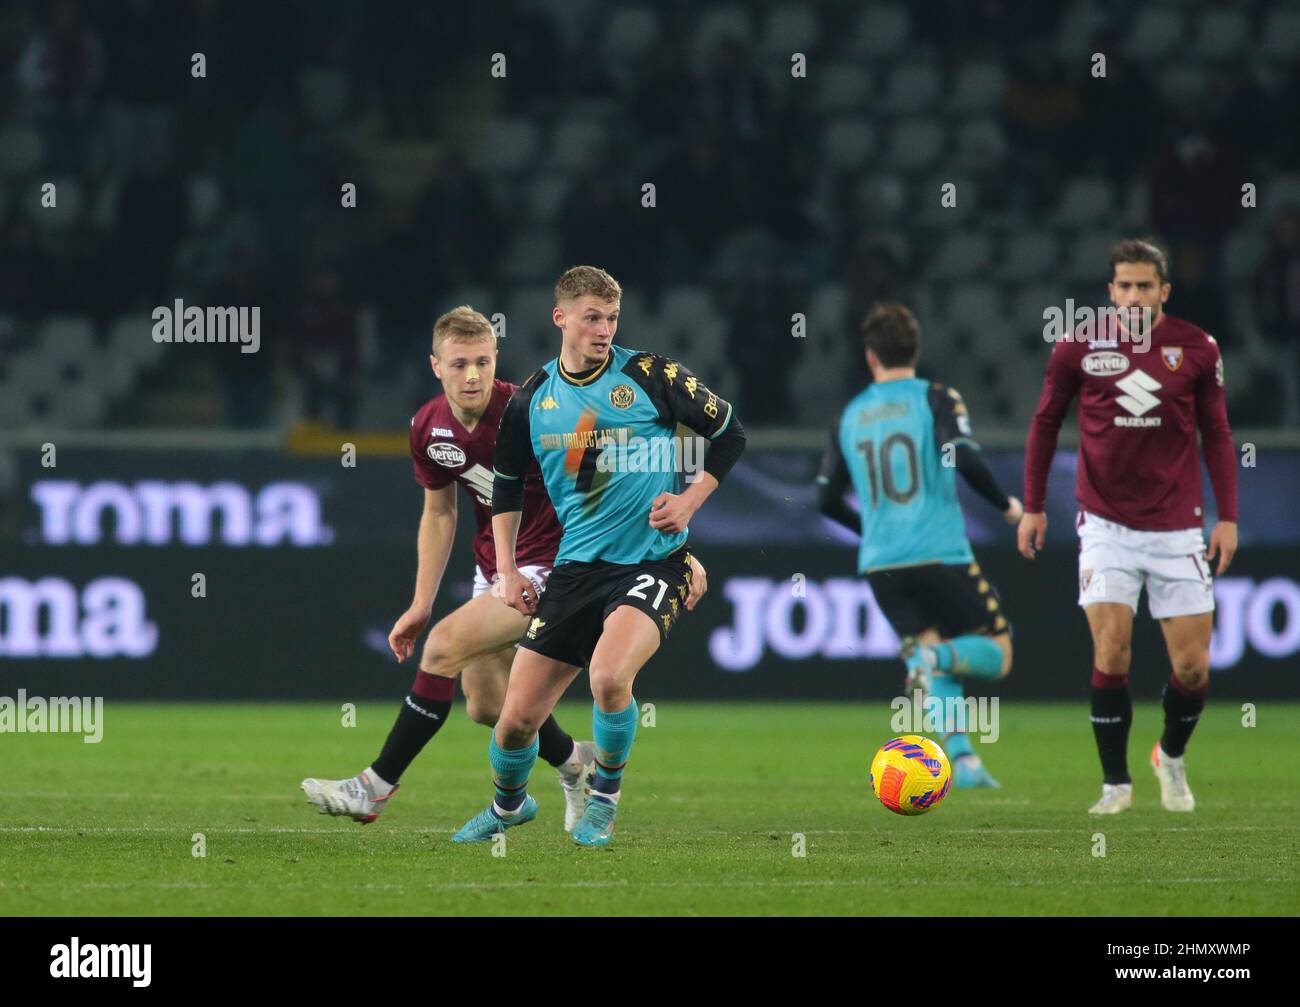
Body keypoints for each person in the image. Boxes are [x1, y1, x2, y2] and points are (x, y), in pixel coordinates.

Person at [302, 305, 709, 831]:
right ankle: (572, 762)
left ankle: (373, 788)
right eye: (459, 364)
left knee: (444, 648)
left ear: (496, 360)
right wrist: (421, 603)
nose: (472, 375)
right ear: (435, 366)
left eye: (482, 362)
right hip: (496, 568)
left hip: (559, 565)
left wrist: (675, 550)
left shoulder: (538, 408)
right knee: (487, 706)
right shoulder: (428, 427)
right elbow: (440, 511)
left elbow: (621, 475)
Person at [451, 265, 745, 847]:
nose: (604, 329)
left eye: (611, 318)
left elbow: (731, 433)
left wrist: (689, 502)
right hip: (575, 569)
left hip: (652, 563)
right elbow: (506, 487)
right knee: (514, 722)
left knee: (610, 677)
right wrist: (507, 573)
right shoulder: (532, 400)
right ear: (561, 318)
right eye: (592, 317)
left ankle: (604, 800)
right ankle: (509, 807)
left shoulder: (650, 374)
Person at [1019, 238, 1238, 814]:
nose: (1135, 296)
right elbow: (1045, 423)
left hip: (1177, 526)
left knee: (1191, 667)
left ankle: (1169, 754)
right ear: (1110, 291)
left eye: (1146, 286)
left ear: (1165, 290)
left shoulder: (1197, 348)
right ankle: (1115, 784)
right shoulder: (1077, 345)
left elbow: (1217, 435)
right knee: (1112, 649)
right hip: (1105, 523)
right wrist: (1035, 504)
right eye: (1125, 286)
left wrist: (1229, 517)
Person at [818, 302, 1020, 788]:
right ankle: (930, 664)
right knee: (997, 652)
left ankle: (966, 764)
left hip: (882, 562)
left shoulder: (850, 414)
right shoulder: (936, 397)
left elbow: (825, 499)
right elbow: (967, 460)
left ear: (871, 357)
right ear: (917, 348)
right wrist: (1008, 507)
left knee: (934, 649)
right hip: (938, 551)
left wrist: (875, 530)